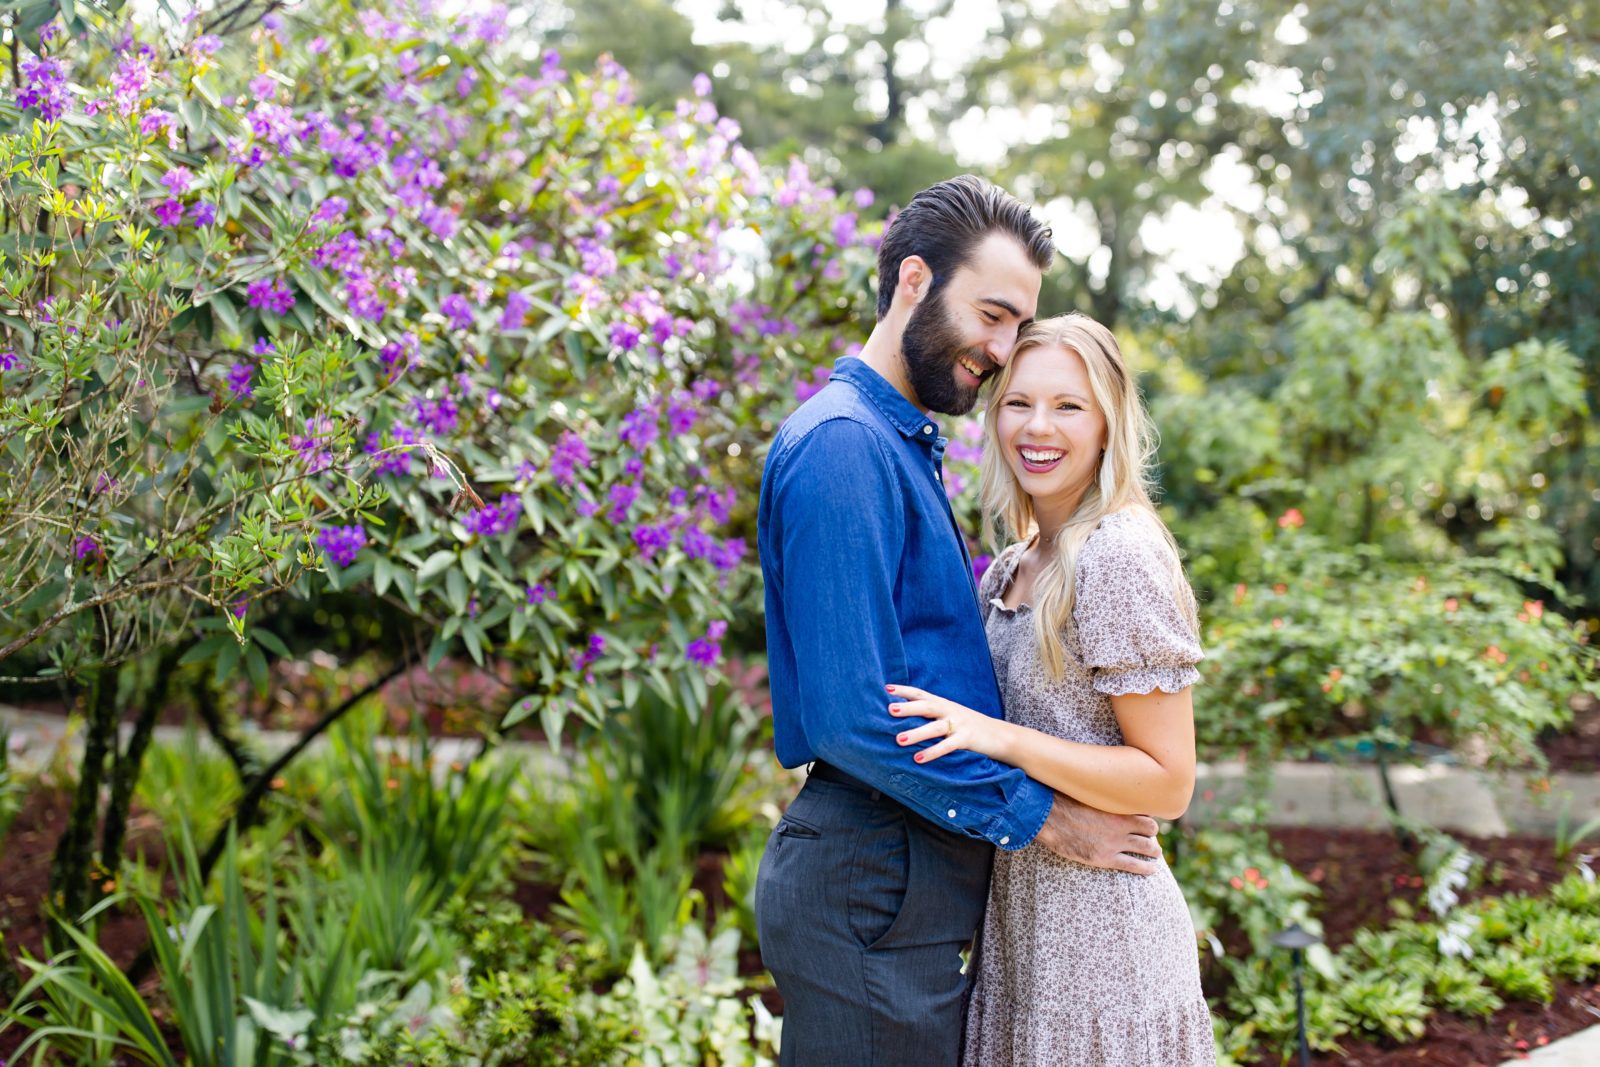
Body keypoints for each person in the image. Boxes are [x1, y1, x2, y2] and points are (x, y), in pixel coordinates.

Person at [754, 177, 1167, 1067]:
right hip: (871, 880)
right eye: (992, 313)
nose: (1002, 349)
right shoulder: (844, 446)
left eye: (1018, 323)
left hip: (902, 883)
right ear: (914, 281)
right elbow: (848, 711)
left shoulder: (895, 443)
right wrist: (1043, 817)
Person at [885, 313, 1215, 1065]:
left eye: (1069, 405)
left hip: (1106, 954)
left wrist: (995, 734)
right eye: (1018, 402)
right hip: (1019, 942)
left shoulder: (1119, 553)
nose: (1039, 426)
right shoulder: (1013, 567)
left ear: (1107, 423)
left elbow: (1168, 781)